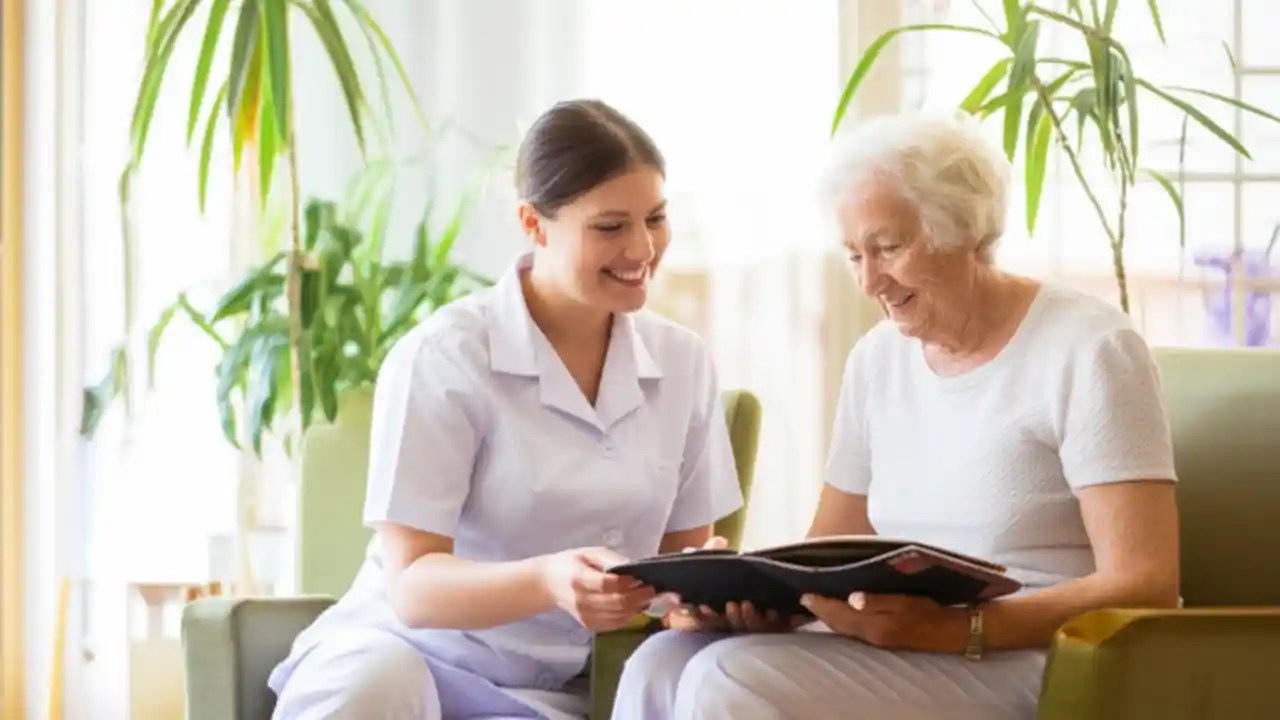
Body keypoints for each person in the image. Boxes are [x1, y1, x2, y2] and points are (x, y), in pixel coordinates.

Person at [611, 111, 1181, 720]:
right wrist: (759, 598)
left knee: (730, 679)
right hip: (901, 645)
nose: (869, 282)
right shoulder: (878, 359)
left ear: (963, 228)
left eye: (888, 248)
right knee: (663, 659)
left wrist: (956, 630)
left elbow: (1146, 584)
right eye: (854, 255)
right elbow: (826, 547)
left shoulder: (1089, 348)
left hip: (1030, 654)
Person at [266, 98, 744, 720]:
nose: (642, 248)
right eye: (609, 226)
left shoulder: (682, 362)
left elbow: (678, 584)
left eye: (654, 218)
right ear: (534, 223)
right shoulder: (445, 355)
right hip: (400, 655)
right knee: (373, 690)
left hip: (553, 692)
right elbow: (411, 587)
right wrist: (548, 581)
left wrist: (715, 595)